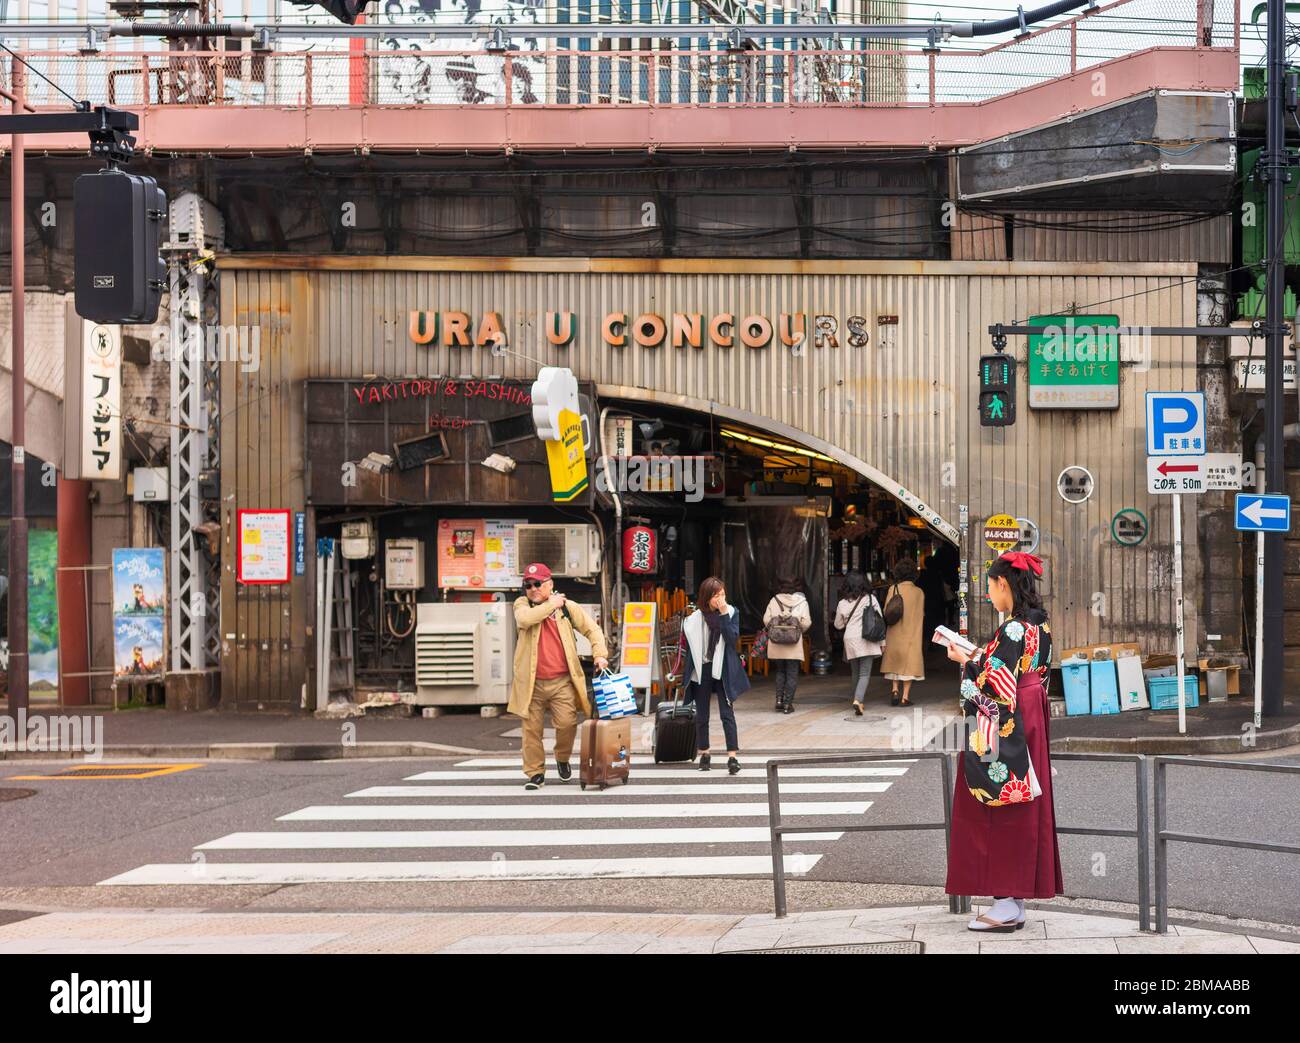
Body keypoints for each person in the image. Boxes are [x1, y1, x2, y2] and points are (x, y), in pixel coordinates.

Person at [943, 551, 1062, 931]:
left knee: (997, 802)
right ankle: (1015, 897)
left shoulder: (1012, 628)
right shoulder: (1039, 625)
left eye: (991, 587)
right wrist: (977, 657)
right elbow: (1018, 670)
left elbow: (992, 680)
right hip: (1030, 713)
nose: (989, 595)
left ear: (1004, 585)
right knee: (1023, 804)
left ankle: (1006, 899)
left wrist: (963, 662)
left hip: (1008, 717)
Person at [509, 562, 609, 790]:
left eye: (538, 584)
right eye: (528, 584)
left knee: (567, 724)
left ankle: (562, 758)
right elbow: (525, 619)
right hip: (530, 683)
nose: (533, 588)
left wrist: (600, 655)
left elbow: (592, 629)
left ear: (550, 584)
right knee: (531, 730)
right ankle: (535, 773)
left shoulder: (566, 607)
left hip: (562, 680)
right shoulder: (521, 604)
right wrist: (551, 603)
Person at [681, 576, 750, 773]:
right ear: (706, 598)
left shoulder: (731, 612)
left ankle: (732, 757)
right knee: (701, 715)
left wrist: (723, 615)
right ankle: (705, 753)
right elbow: (689, 648)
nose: (720, 599)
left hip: (723, 669)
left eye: (722, 594)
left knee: (727, 713)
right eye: (716, 596)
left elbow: (732, 638)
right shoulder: (693, 619)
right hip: (702, 670)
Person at [833, 570, 885, 715]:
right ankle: (858, 699)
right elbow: (879, 621)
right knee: (864, 673)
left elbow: (838, 625)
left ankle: (857, 700)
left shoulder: (842, 603)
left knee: (855, 672)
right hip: (867, 638)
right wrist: (883, 642)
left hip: (850, 639)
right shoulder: (870, 599)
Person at [762, 575, 812, 714]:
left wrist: (776, 627)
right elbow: (807, 622)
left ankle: (779, 700)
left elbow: (766, 620)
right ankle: (787, 704)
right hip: (793, 644)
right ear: (794, 589)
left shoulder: (774, 600)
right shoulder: (802, 602)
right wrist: (797, 629)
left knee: (780, 671)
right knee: (792, 673)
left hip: (776, 643)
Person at [880, 557, 925, 706]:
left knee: (895, 663)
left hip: (894, 632)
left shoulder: (893, 589)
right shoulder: (919, 592)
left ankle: (894, 690)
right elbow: (920, 614)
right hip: (912, 633)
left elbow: (886, 610)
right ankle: (905, 697)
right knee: (909, 666)